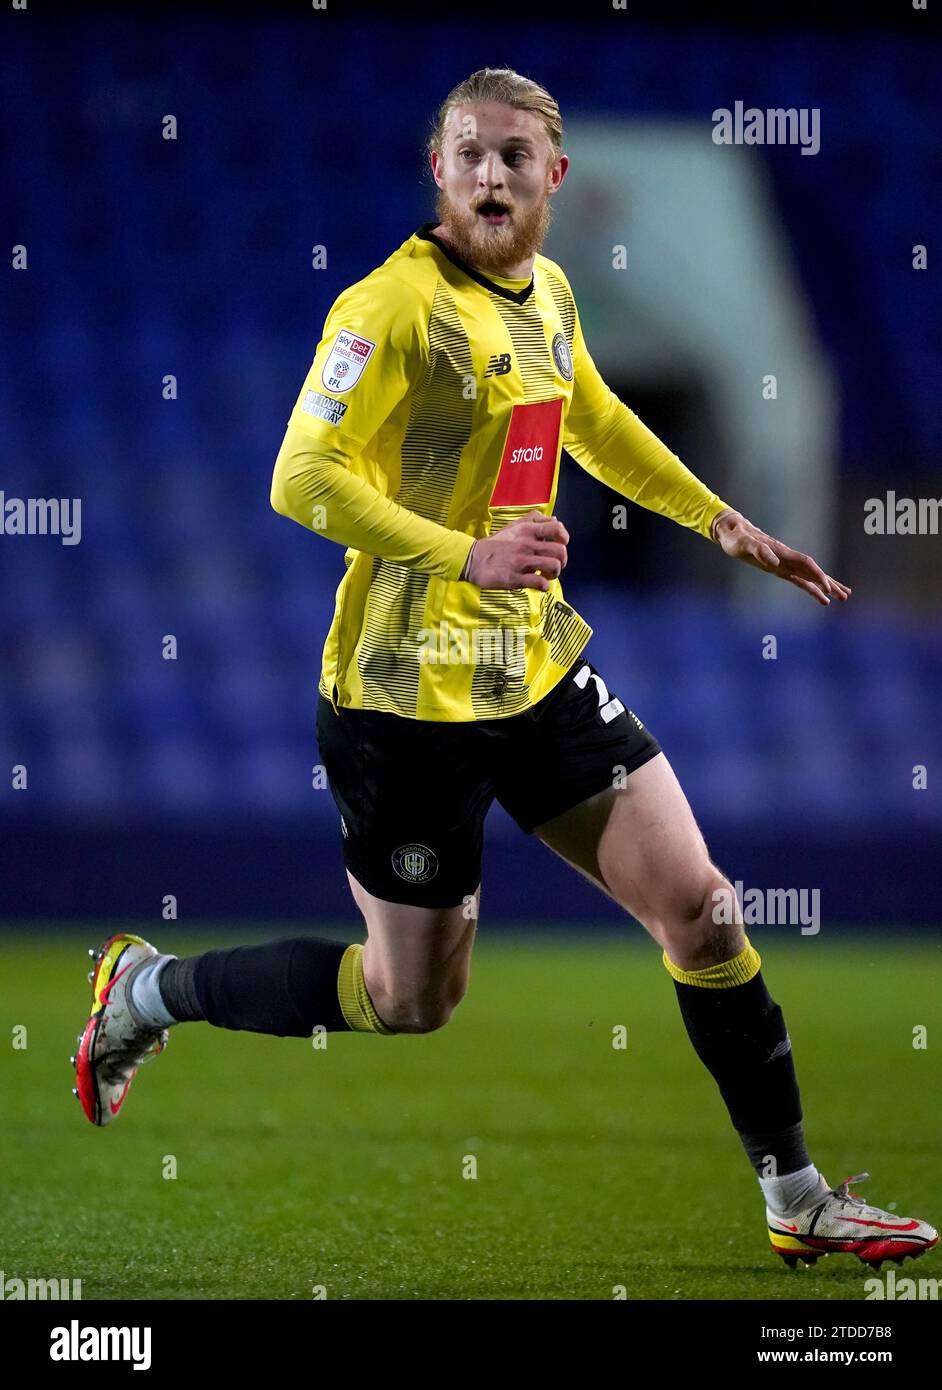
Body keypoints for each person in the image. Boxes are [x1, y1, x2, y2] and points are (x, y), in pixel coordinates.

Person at [73, 67, 935, 1272]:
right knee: (409, 998)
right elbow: (299, 477)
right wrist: (468, 552)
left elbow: (593, 415)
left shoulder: (551, 295)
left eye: (514, 156)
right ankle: (149, 992)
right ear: (439, 171)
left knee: (702, 908)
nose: (491, 174)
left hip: (529, 672)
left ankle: (796, 1195)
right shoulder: (391, 308)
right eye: (469, 153)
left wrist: (719, 520)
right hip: (401, 698)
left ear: (554, 178)